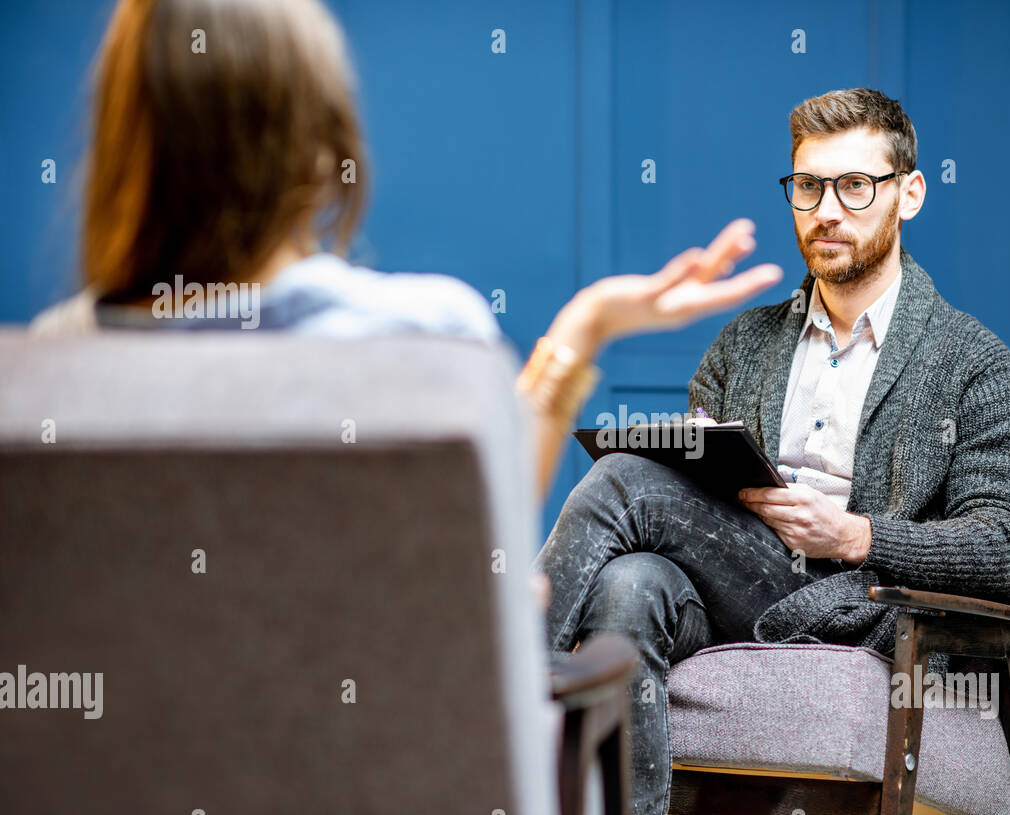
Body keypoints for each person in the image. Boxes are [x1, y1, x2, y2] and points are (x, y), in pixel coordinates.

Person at [536, 88, 1010, 815]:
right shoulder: (745, 342)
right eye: (808, 186)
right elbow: (692, 517)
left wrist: (856, 533)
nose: (826, 210)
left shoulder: (972, 362)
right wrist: (696, 459)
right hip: (733, 589)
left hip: (854, 602)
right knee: (630, 583)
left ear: (908, 193)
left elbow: (1007, 546)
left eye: (854, 186)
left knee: (628, 479)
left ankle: (495, 688)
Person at [28, 0, 782, 502]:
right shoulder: (426, 336)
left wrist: (585, 320)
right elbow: (482, 561)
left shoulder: (46, 371)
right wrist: (586, 328)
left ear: (125, 147)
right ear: (321, 149)